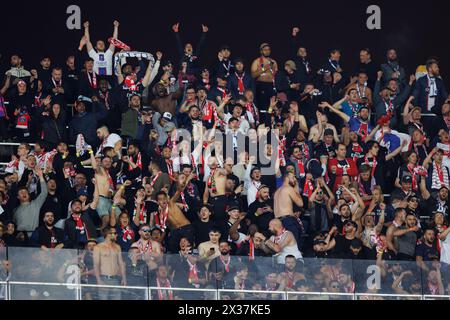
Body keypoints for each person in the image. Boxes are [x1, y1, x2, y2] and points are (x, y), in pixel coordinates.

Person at [13, 165, 48, 237]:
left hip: (33, 236)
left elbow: (44, 192)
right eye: (21, 193)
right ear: (18, 197)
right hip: (19, 237)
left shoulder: (36, 204)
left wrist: (41, 176)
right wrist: (28, 182)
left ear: (29, 195)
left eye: (26, 192)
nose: (24, 193)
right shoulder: (14, 210)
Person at [93, 226, 127, 300]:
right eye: (114, 233)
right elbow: (96, 264)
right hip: (103, 278)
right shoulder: (98, 247)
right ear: (108, 234)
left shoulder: (117, 247)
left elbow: (121, 263)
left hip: (115, 279)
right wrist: (98, 279)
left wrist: (124, 278)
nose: (116, 235)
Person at [274, 173, 304, 249]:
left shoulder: (277, 191)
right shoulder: (289, 188)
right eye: (293, 177)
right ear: (287, 177)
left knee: (283, 248)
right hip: (288, 221)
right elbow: (300, 204)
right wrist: (297, 191)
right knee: (294, 247)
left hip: (277, 223)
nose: (295, 179)